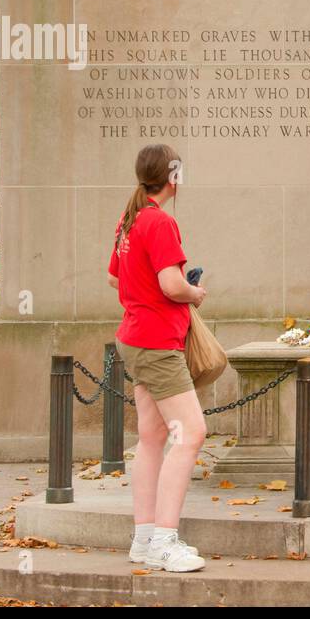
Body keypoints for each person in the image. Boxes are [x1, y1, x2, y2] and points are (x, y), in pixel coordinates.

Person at [106, 143, 208, 573]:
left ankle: (145, 539)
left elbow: (113, 278)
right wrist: (194, 292)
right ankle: (165, 541)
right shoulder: (161, 222)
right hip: (157, 344)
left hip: (135, 337)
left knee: (151, 439)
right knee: (191, 435)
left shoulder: (130, 220)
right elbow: (171, 283)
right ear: (174, 177)